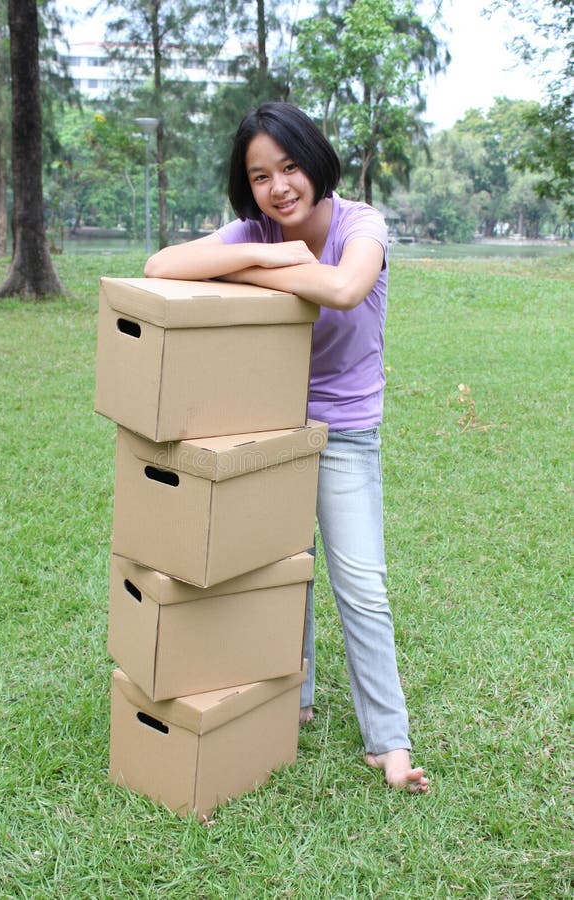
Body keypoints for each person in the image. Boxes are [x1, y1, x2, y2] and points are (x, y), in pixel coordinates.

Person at [145, 102, 428, 793]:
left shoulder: (362, 225)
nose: (279, 187)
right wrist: (262, 252)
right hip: (266, 425)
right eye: (260, 175)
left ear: (315, 160)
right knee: (274, 568)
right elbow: (159, 264)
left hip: (344, 433)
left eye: (290, 165)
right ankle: (287, 699)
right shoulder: (259, 231)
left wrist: (235, 270)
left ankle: (387, 744)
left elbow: (341, 287)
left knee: (358, 584)